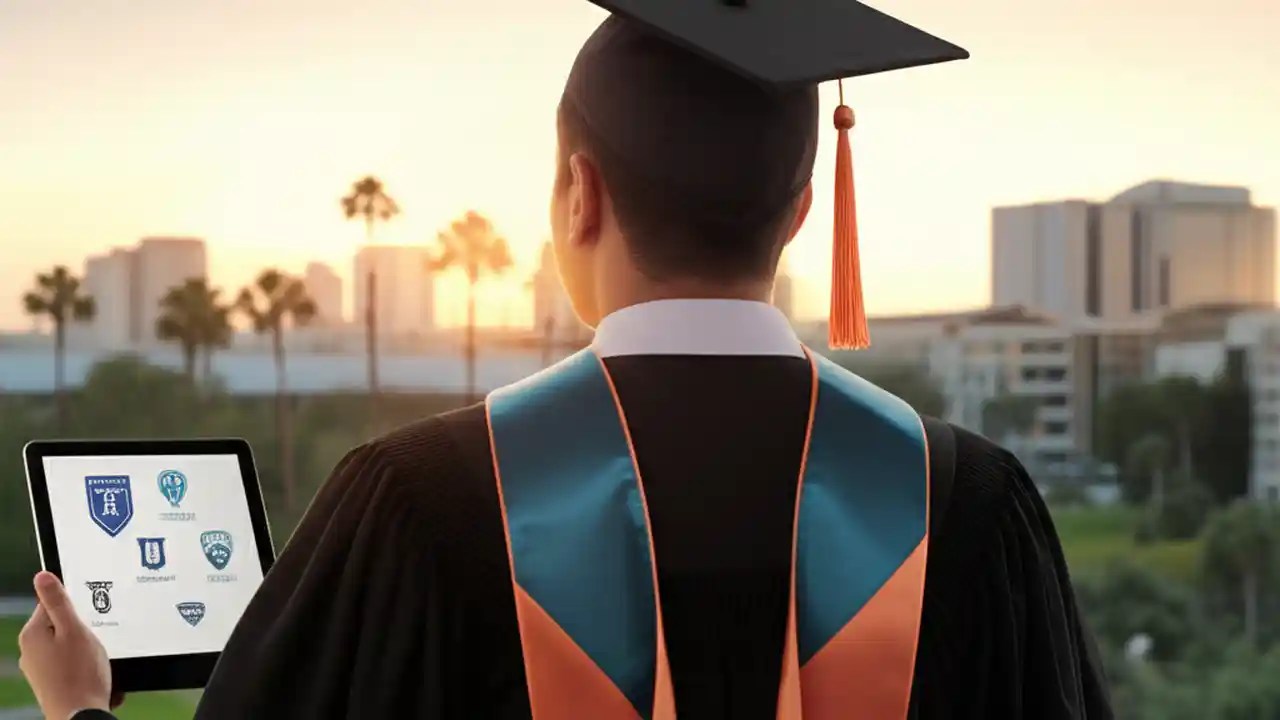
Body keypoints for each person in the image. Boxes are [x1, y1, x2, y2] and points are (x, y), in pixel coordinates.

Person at [21, 1, 1113, 718]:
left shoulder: (417, 504)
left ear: (578, 196)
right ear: (800, 215)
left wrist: (79, 712)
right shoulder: (971, 508)